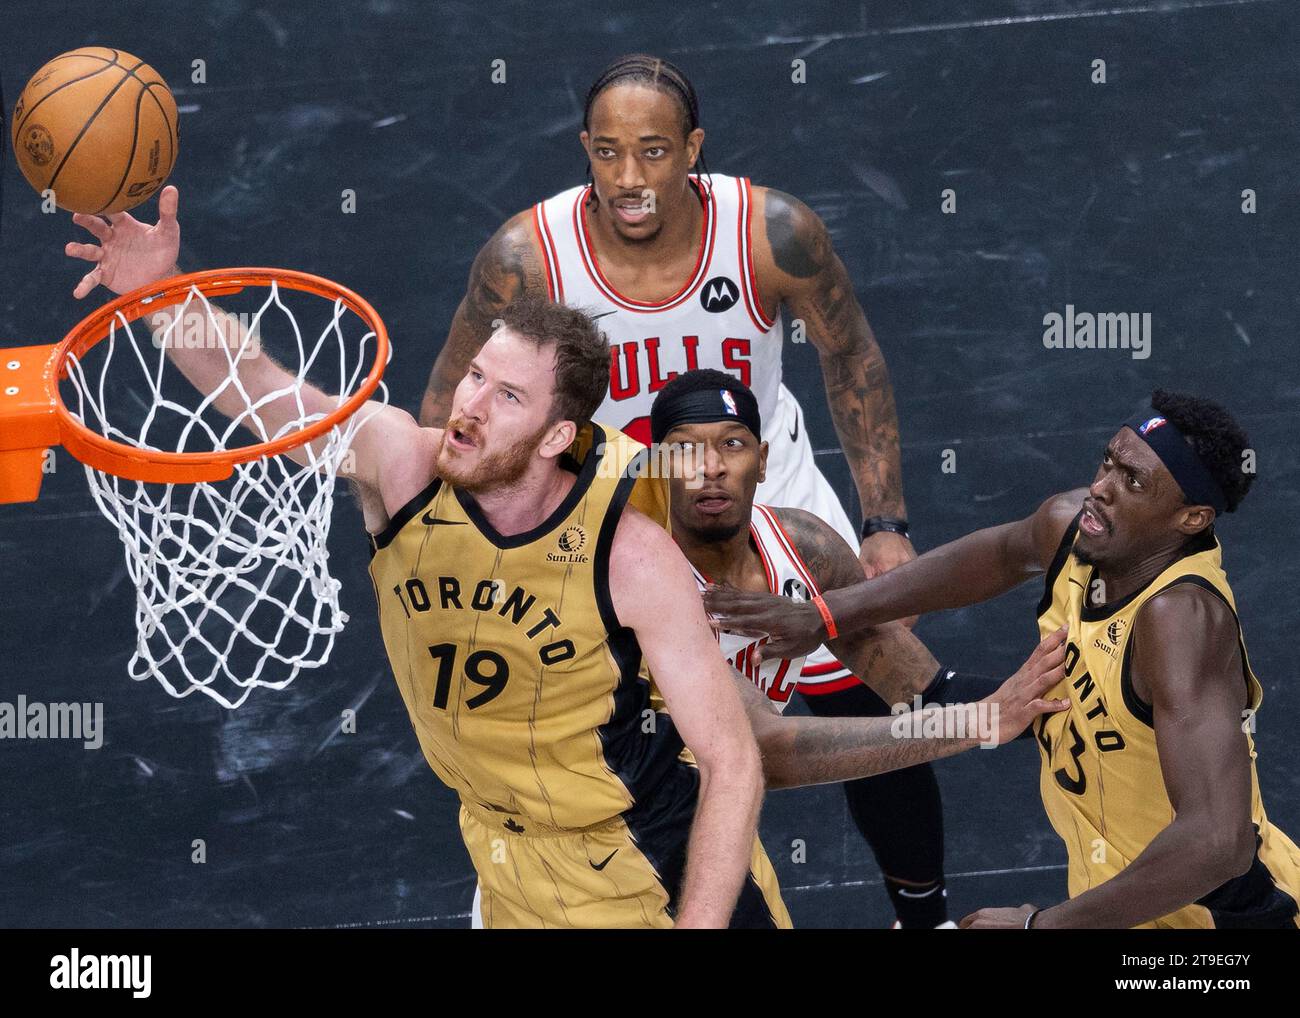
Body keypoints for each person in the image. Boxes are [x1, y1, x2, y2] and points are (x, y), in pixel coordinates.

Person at [63, 185, 785, 930]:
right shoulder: (402, 463)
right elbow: (259, 388)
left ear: (554, 440)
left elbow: (731, 763)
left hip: (650, 869)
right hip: (509, 867)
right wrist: (156, 292)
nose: (469, 404)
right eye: (476, 375)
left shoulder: (630, 558)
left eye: (507, 397)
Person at [420, 52, 952, 927]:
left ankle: (924, 915)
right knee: (593, 741)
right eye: (608, 152)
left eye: (655, 152)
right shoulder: (526, 256)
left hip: (763, 495)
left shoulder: (769, 233)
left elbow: (850, 353)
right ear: (584, 149)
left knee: (876, 693)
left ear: (693, 147)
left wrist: (885, 519)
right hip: (613, 530)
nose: (630, 179)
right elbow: (450, 406)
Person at [705, 391, 1300, 928]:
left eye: (1135, 483)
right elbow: (1000, 552)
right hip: (1118, 891)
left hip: (1213, 918)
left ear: (1191, 519)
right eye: (1108, 462)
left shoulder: (1180, 620)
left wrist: (1039, 928)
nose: (1104, 487)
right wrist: (831, 612)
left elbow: (1218, 843)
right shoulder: (1078, 529)